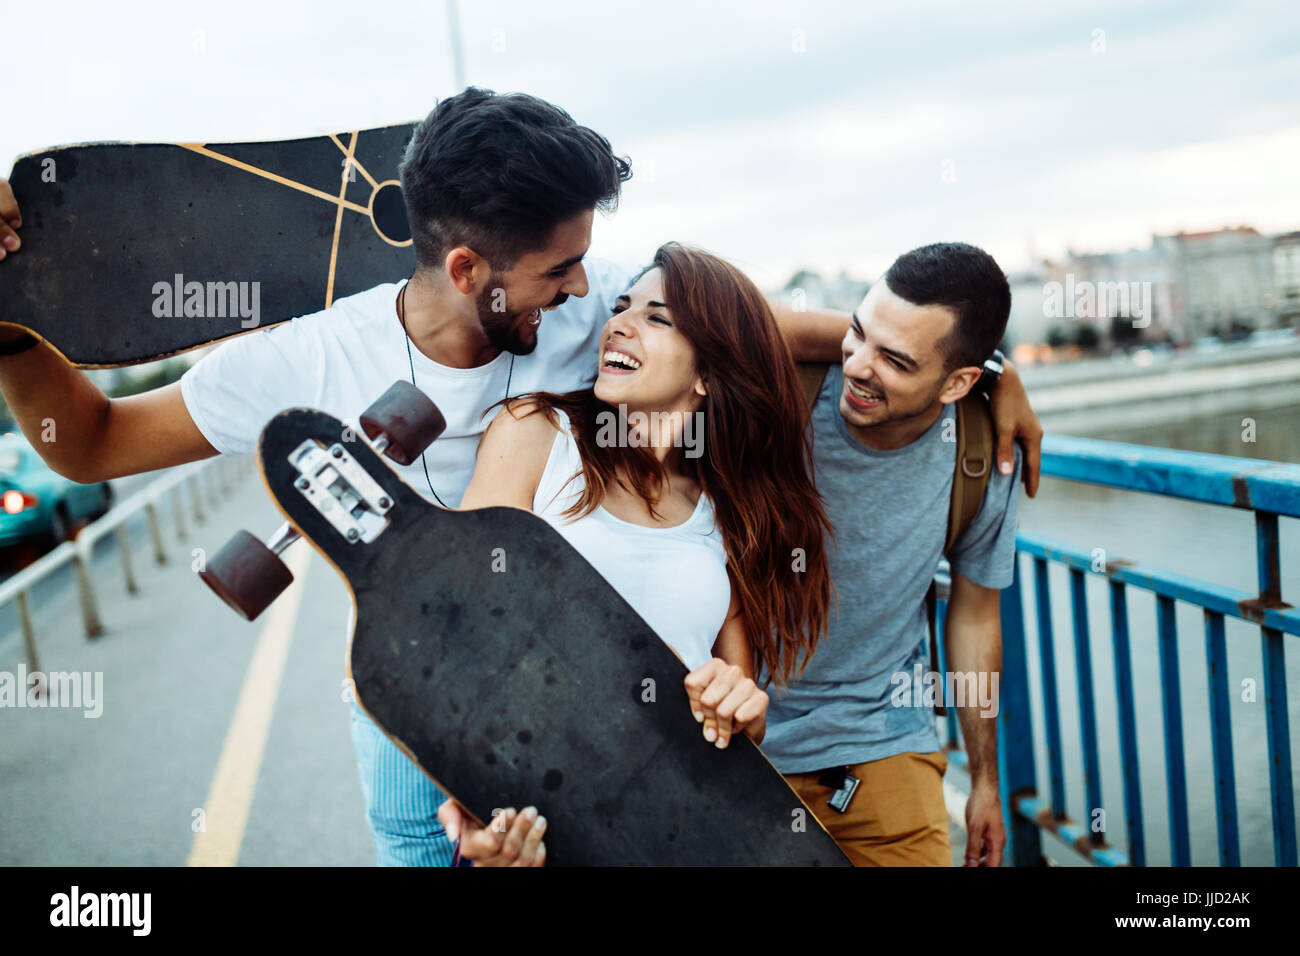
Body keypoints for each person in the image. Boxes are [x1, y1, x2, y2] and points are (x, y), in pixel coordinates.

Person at [0, 89, 1044, 866]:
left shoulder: (593, 321)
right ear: (468, 272)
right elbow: (88, 442)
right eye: (561, 272)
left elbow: (756, 327)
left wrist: (978, 380)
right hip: (419, 693)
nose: (589, 291)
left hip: (586, 703)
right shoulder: (301, 362)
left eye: (595, 267)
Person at [439, 243, 834, 865]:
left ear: (707, 373)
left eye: (658, 317)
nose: (618, 323)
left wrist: (737, 707)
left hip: (672, 832)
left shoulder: (726, 511)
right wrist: (471, 800)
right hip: (537, 819)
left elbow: (741, 724)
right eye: (623, 307)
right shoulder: (539, 434)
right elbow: (452, 631)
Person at [762, 242, 1025, 867]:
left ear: (959, 382)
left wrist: (986, 781)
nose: (857, 366)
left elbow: (974, 616)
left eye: (895, 360)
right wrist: (1005, 372)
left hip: (886, 739)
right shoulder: (786, 388)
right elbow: (710, 316)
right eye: (857, 333)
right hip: (739, 738)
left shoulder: (984, 452)